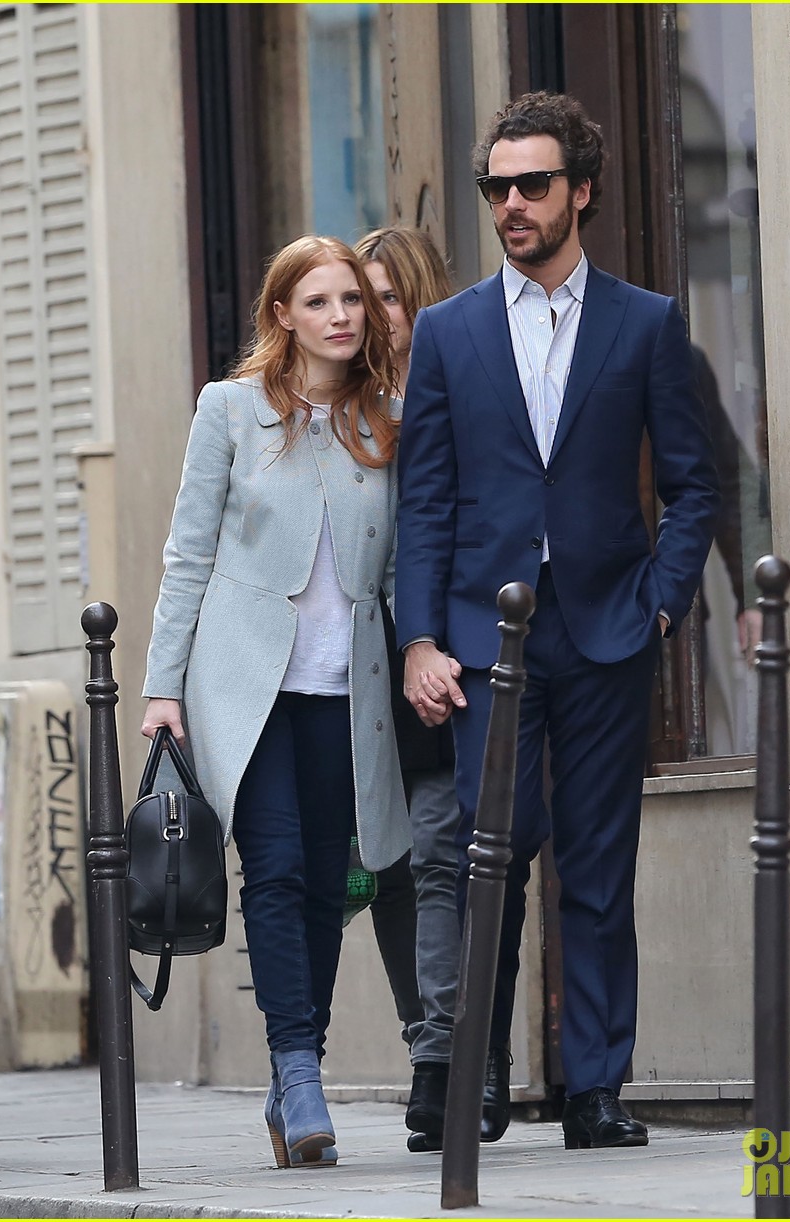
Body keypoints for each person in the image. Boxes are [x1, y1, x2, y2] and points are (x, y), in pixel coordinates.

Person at [395, 92, 720, 1151]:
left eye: (531, 185)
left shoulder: (645, 322)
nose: (510, 205)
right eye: (496, 187)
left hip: (607, 632)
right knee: (494, 859)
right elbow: (425, 499)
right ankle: (477, 1080)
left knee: (596, 863)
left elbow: (690, 482)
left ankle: (593, 1088)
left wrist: (663, 601)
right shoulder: (446, 333)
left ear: (580, 189)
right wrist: (417, 639)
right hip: (485, 645)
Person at [140, 235, 410, 1169]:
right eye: (319, 301)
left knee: (332, 885)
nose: (340, 316)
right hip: (246, 686)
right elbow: (187, 557)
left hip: (351, 694)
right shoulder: (229, 410)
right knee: (281, 870)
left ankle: (296, 1065)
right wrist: (160, 686)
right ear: (282, 316)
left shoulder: (388, 418)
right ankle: (298, 1071)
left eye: (351, 301)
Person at [353, 227, 461, 1153]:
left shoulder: (454, 393)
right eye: (359, 296)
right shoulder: (342, 409)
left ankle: (446, 1058)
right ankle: (427, 1046)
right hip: (354, 666)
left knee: (433, 854)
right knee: (382, 866)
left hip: (431, 657)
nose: (368, 316)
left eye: (385, 297)